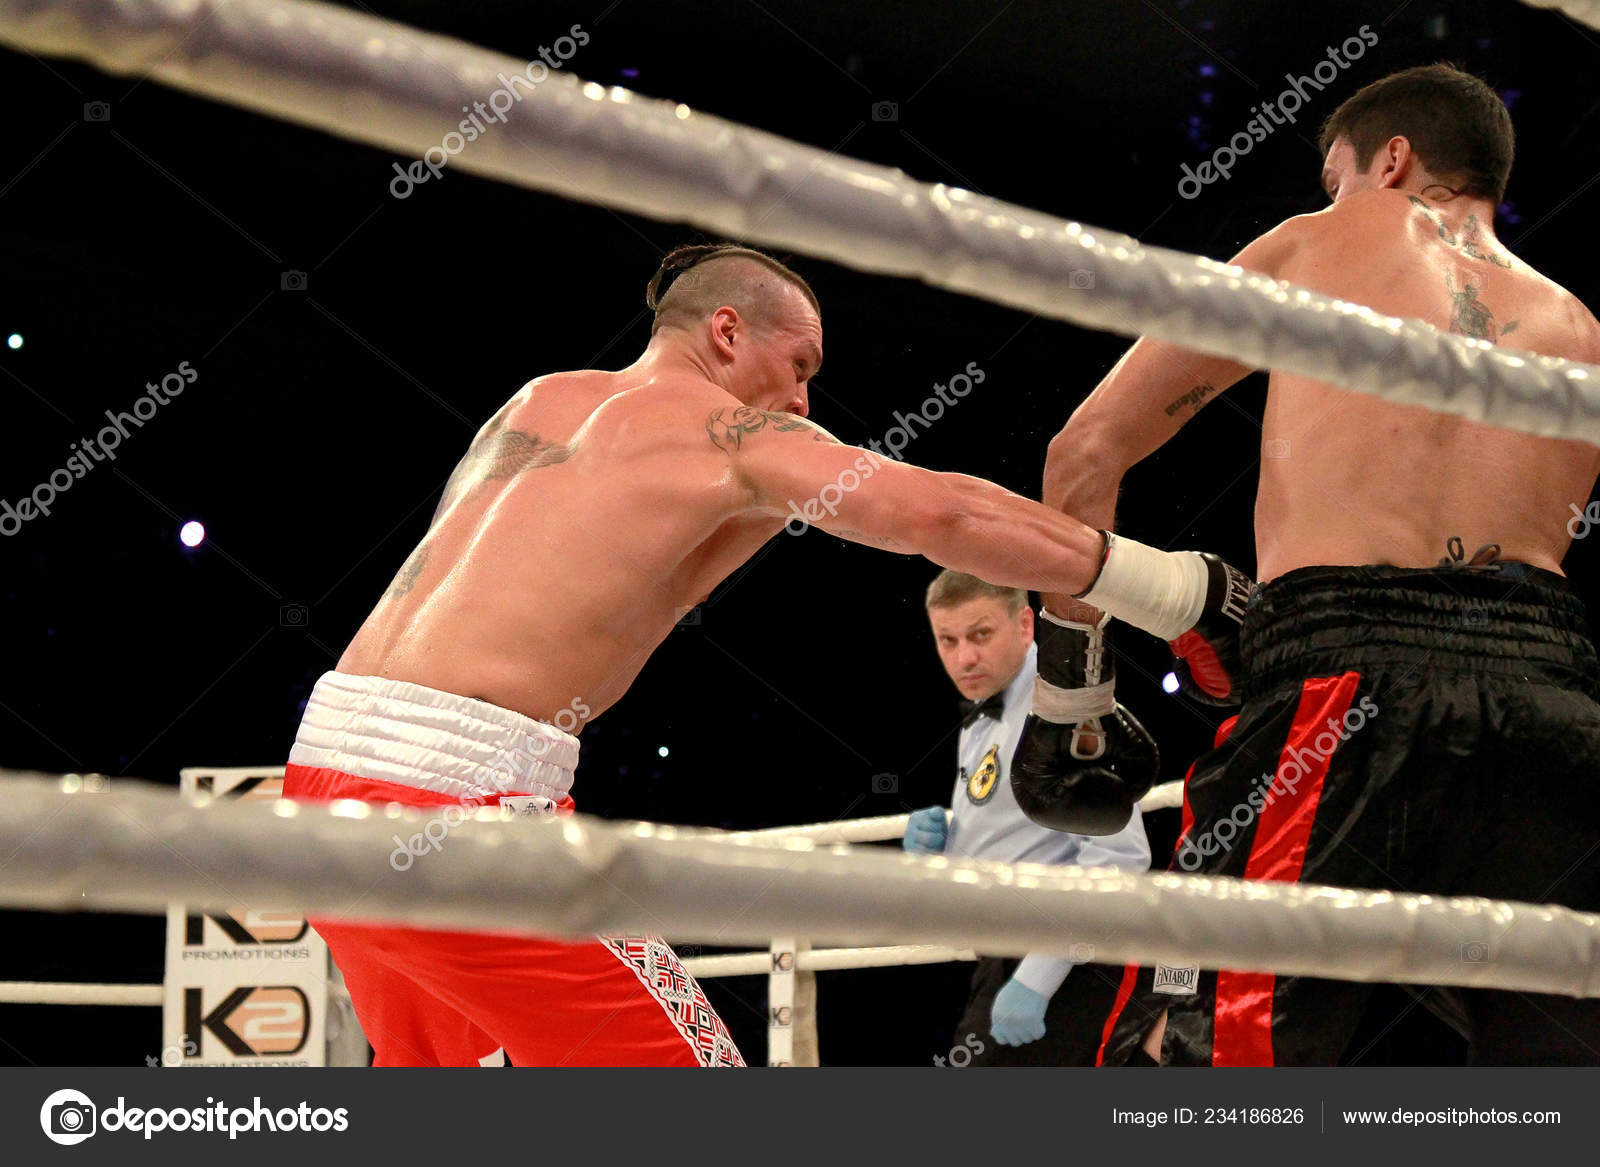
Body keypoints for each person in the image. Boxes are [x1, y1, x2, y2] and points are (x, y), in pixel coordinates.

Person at [281, 242, 1233, 1066]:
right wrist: (1175, 591)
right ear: (728, 332)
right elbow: (945, 512)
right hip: (463, 811)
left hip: (318, 784)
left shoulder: (537, 401)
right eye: (800, 362)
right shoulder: (729, 430)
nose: (805, 396)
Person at [1020, 64, 1600, 1065]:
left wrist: (1068, 698)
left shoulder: (1325, 237)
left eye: (1334, 177)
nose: (1330, 197)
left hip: (1343, 681)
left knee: (1197, 1054)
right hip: (1557, 706)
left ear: (1390, 160)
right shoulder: (1580, 329)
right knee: (1558, 1077)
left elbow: (1083, 452)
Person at [904, 571, 1148, 1065]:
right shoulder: (985, 712)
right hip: (1007, 958)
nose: (964, 657)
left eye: (980, 634)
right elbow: (1018, 840)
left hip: (1066, 960)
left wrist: (1037, 978)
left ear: (1023, 624)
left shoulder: (1064, 707)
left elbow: (1119, 860)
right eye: (947, 641)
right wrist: (942, 850)